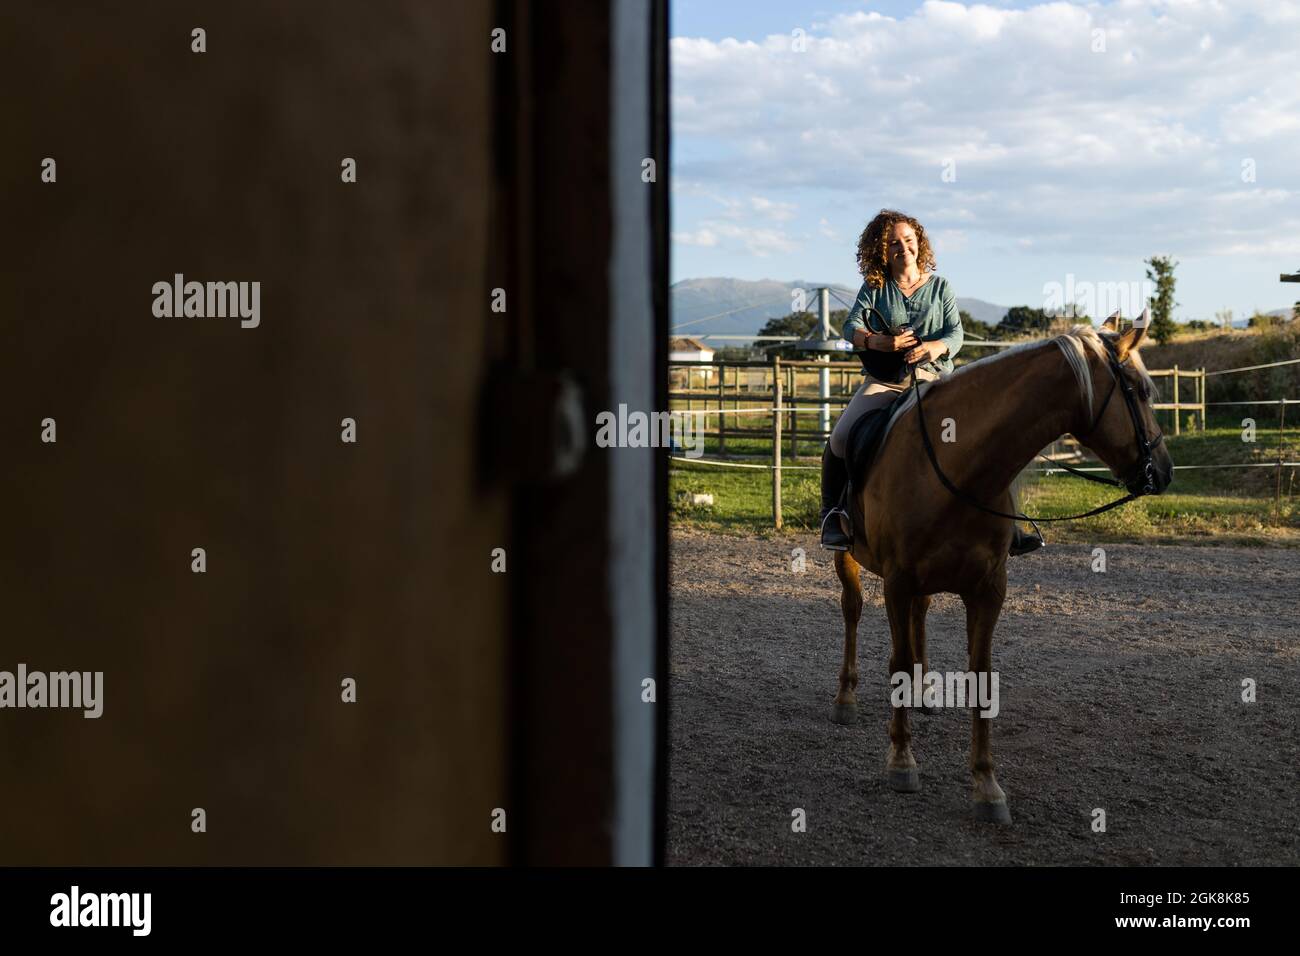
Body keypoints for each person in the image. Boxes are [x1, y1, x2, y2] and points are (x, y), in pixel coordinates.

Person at [819, 209, 1041, 557]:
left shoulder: (940, 287)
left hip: (935, 379)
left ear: (918, 243)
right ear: (882, 251)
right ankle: (833, 515)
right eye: (893, 243)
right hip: (886, 381)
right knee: (840, 437)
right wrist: (878, 342)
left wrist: (931, 348)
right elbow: (849, 327)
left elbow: (956, 333)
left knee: (980, 437)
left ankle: (1008, 523)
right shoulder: (875, 288)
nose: (902, 248)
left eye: (908, 240)